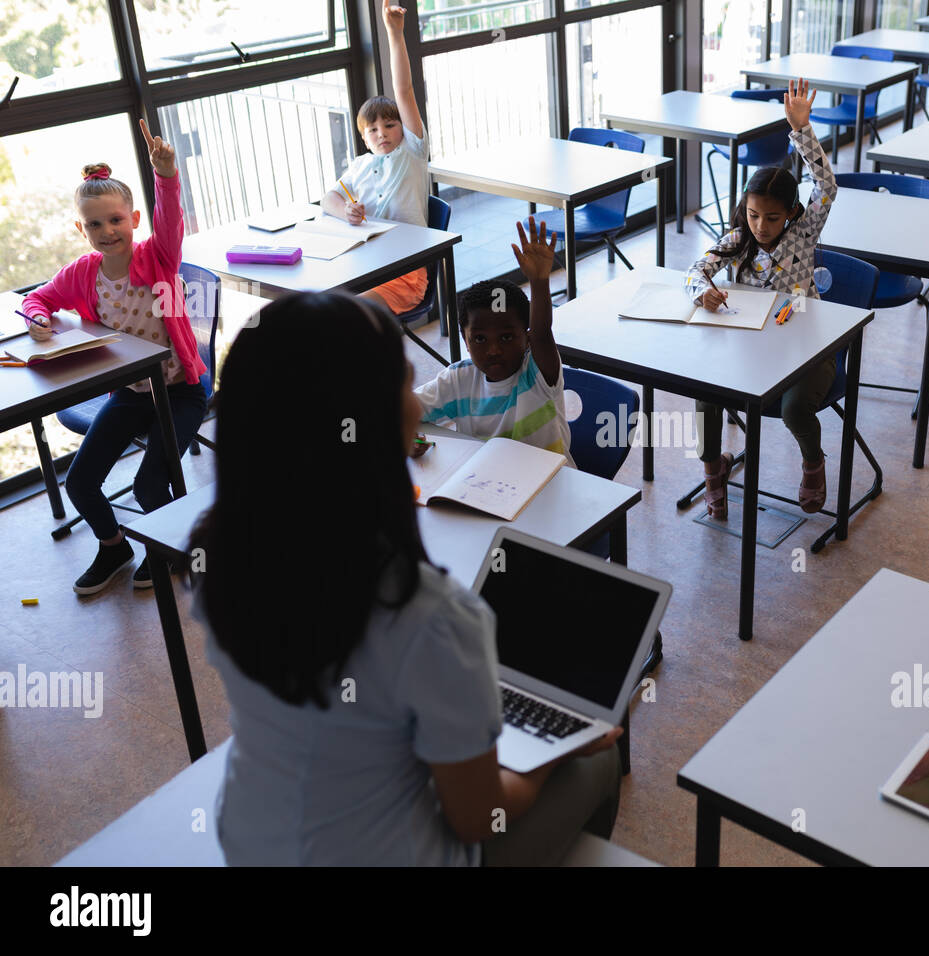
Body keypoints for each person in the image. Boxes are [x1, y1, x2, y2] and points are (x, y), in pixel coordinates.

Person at [190, 292, 621, 865]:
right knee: (600, 759)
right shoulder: (429, 613)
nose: (418, 404)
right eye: (404, 381)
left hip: (249, 840)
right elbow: (477, 817)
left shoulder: (218, 552)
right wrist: (555, 754)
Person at [21, 119, 208, 594]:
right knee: (80, 483)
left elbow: (172, 219)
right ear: (80, 230)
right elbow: (37, 298)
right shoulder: (83, 274)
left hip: (182, 390)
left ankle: (168, 547)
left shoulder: (158, 257)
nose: (107, 231)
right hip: (130, 393)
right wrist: (36, 318)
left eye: (116, 220)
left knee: (148, 486)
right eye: (95, 224)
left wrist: (166, 175)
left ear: (134, 220)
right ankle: (114, 545)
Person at [684, 78, 833, 519]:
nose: (761, 226)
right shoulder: (737, 239)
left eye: (771, 217)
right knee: (703, 395)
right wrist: (703, 291)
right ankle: (715, 470)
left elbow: (825, 187)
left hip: (806, 350)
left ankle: (813, 462)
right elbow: (695, 270)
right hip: (750, 352)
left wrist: (801, 130)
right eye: (752, 214)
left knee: (793, 408)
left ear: (790, 213)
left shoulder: (804, 234)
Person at [413, 218, 574, 465]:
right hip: (486, 487)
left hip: (550, 484)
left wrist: (539, 282)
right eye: (479, 339)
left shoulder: (536, 373)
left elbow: (542, 332)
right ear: (464, 340)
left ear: (527, 336)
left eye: (507, 337)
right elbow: (403, 410)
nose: (493, 350)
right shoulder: (458, 380)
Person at [321, 0, 431, 314]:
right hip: (365, 265)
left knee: (349, 313)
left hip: (405, 272)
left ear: (403, 129)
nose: (381, 133)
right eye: (372, 130)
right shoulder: (361, 166)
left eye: (390, 125)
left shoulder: (411, 153)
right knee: (320, 309)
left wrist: (394, 35)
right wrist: (347, 211)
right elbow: (329, 198)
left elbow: (404, 89)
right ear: (364, 138)